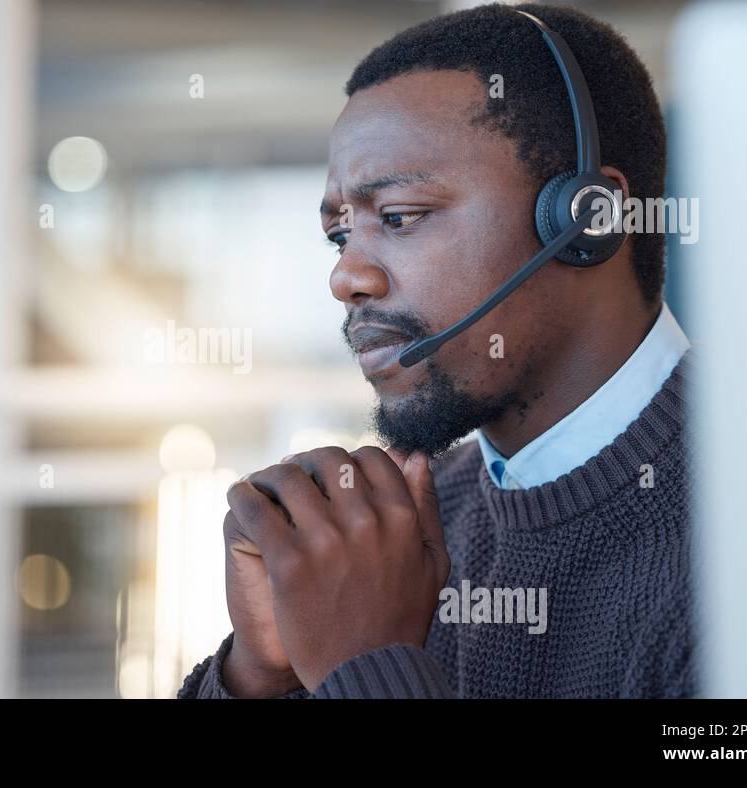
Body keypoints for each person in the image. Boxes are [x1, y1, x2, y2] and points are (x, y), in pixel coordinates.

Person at [178, 2, 694, 699]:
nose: (346, 277)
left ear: (589, 218)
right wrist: (259, 676)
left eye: (398, 217)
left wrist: (367, 664)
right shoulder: (403, 527)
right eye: (340, 234)